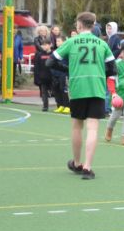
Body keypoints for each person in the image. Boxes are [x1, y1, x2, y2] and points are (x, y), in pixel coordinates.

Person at [47, 11, 115, 180]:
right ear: (93, 25)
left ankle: (77, 163)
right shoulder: (102, 44)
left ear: (79, 25)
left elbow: (50, 62)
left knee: (77, 126)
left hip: (78, 88)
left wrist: (68, 70)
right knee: (93, 127)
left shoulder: (71, 42)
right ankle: (87, 167)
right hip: (97, 88)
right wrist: (100, 74)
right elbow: (113, 69)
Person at [33, 37, 54, 111]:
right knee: (44, 93)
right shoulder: (39, 55)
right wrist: (37, 78)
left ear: (50, 45)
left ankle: (60, 105)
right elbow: (36, 67)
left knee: (56, 92)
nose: (44, 46)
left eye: (46, 45)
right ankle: (45, 106)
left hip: (52, 77)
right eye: (43, 45)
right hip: (43, 77)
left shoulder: (53, 54)